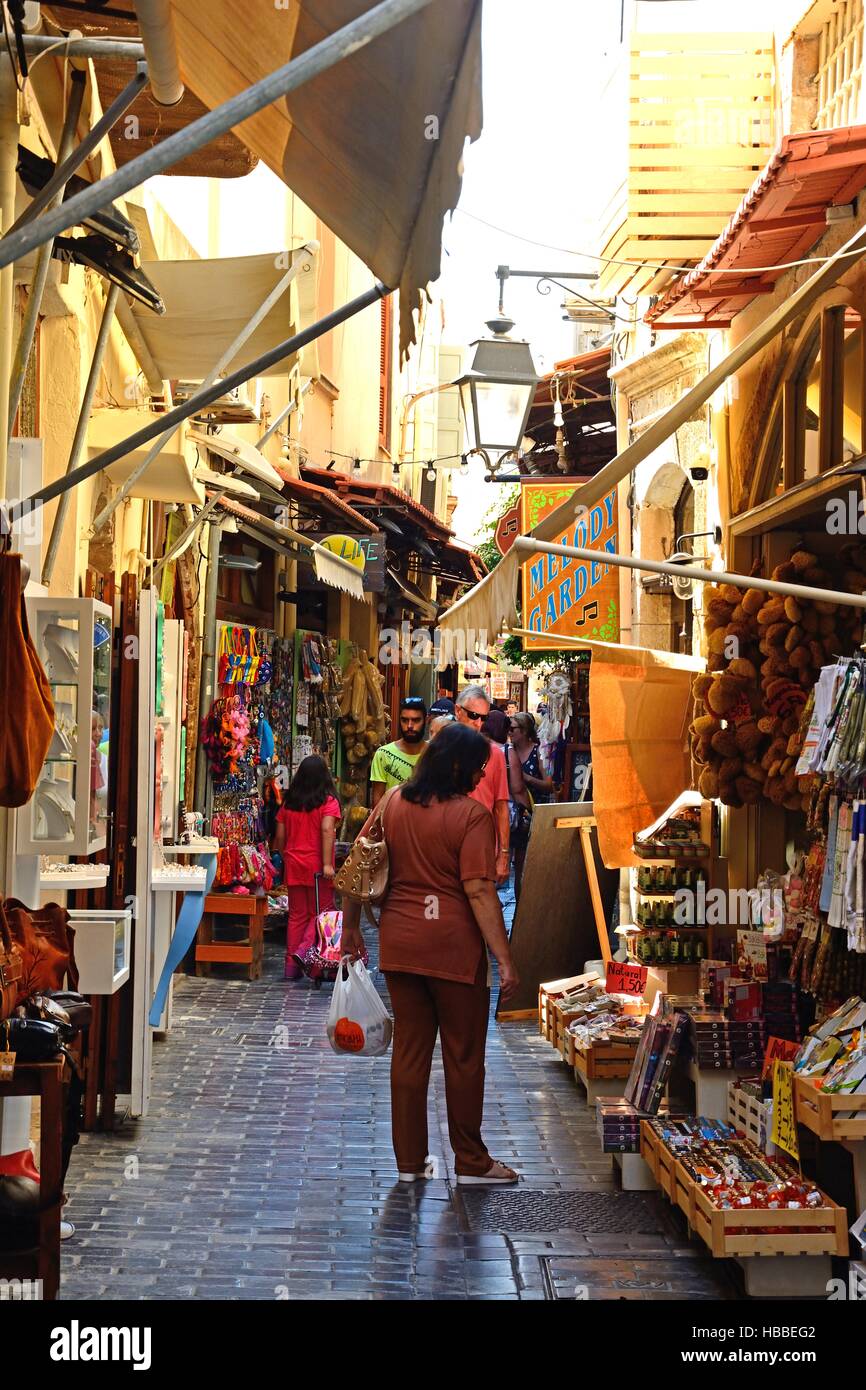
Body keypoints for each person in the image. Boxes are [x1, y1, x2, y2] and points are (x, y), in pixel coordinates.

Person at [340, 724, 520, 1185]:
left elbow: (361, 862)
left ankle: (409, 1163)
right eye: (479, 766)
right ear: (457, 764)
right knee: (463, 1056)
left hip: (400, 945)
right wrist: (504, 958)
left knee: (410, 1054)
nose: (483, 776)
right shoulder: (472, 818)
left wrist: (350, 928)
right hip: (455, 951)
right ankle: (472, 1161)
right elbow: (479, 891)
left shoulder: (393, 802)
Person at [272, 755, 340, 980]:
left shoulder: (289, 802)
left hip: (294, 864)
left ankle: (291, 965)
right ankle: (309, 956)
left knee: (297, 915)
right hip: (319, 867)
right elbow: (327, 829)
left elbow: (279, 836)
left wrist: (286, 855)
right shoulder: (328, 801)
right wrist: (328, 864)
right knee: (323, 912)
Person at [455, 685, 509, 883]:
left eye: (483, 718)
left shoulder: (494, 754)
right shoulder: (441, 749)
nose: (478, 723)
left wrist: (503, 854)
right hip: (446, 845)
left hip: (481, 846)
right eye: (473, 715)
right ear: (458, 711)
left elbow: (501, 806)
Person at [483, 709, 532, 903]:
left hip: (483, 812)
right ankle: (519, 913)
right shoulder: (506, 752)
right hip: (506, 812)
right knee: (518, 865)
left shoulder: (475, 747)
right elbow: (518, 788)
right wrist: (528, 811)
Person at [369, 696, 427, 808]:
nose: (409, 726)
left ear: (425, 720)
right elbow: (378, 803)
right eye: (404, 720)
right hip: (393, 823)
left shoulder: (435, 755)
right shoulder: (383, 754)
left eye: (416, 720)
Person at [510, 712, 555, 804]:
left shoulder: (540, 751)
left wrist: (526, 778)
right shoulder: (509, 751)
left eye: (512, 729)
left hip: (536, 807)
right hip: (514, 808)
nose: (509, 732)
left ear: (525, 730)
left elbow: (549, 785)